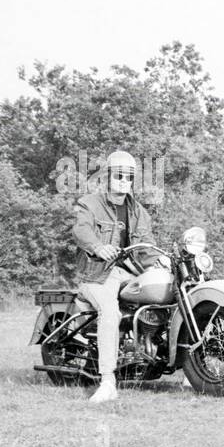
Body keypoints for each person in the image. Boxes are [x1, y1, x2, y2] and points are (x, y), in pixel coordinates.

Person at [72, 150, 154, 404]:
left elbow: (145, 247)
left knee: (165, 295)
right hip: (97, 273)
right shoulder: (89, 203)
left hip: (128, 272)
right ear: (107, 176)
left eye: (129, 177)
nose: (123, 181)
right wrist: (97, 246)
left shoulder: (139, 212)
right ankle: (108, 381)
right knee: (110, 311)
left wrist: (157, 260)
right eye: (118, 175)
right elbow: (81, 230)